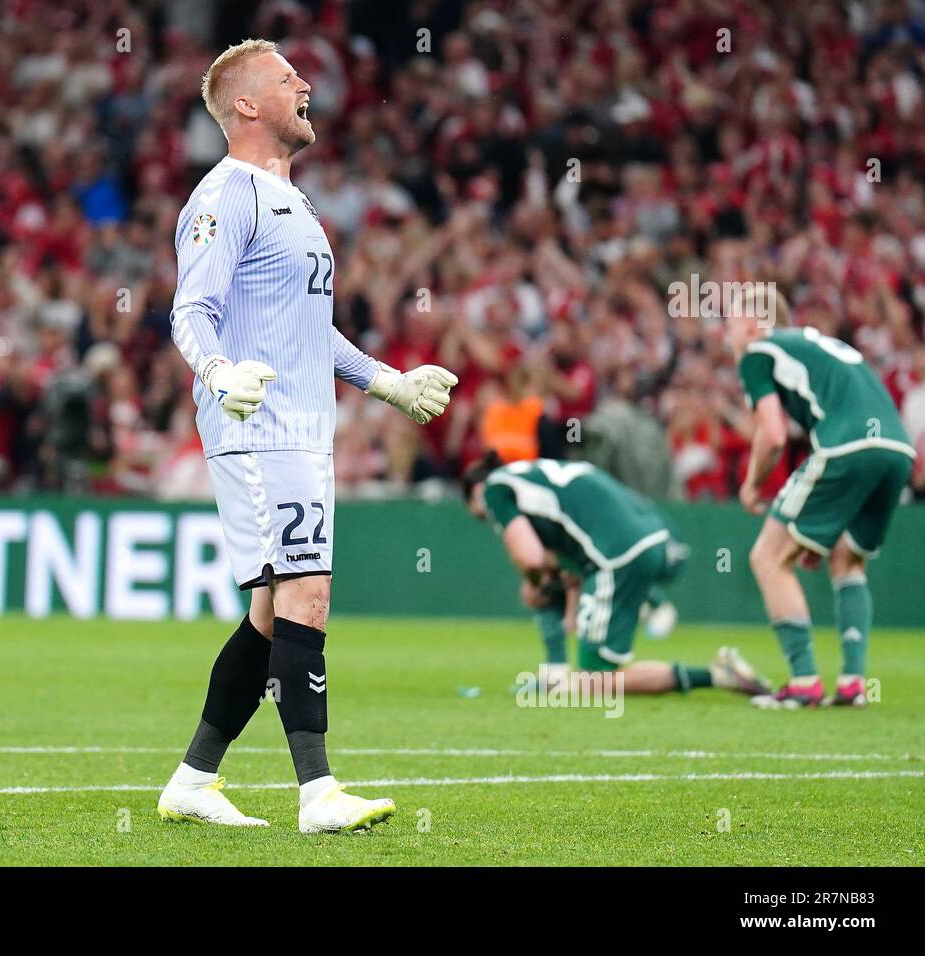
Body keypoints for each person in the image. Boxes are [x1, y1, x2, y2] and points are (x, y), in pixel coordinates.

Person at [159, 39, 458, 833]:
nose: (307, 85)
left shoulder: (295, 202)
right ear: (247, 106)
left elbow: (310, 329)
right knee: (307, 594)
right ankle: (318, 794)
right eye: (288, 79)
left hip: (304, 430)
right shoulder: (226, 194)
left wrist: (385, 381)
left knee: (272, 613)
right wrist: (219, 372)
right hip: (256, 427)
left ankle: (193, 779)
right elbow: (191, 310)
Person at [727, 293, 915, 708]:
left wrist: (752, 485)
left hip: (846, 447)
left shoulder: (759, 352)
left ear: (756, 324)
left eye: (733, 320)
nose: (728, 332)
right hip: (897, 450)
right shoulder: (816, 344)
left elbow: (773, 434)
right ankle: (851, 683)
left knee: (768, 557)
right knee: (847, 558)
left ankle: (804, 682)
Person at [462, 451, 770, 698]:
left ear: (476, 493)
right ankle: (641, 610)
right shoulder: (539, 475)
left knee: (591, 683)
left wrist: (534, 583)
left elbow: (530, 558)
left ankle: (717, 674)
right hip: (660, 541)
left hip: (619, 557)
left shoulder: (494, 489)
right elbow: (572, 557)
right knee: (562, 587)